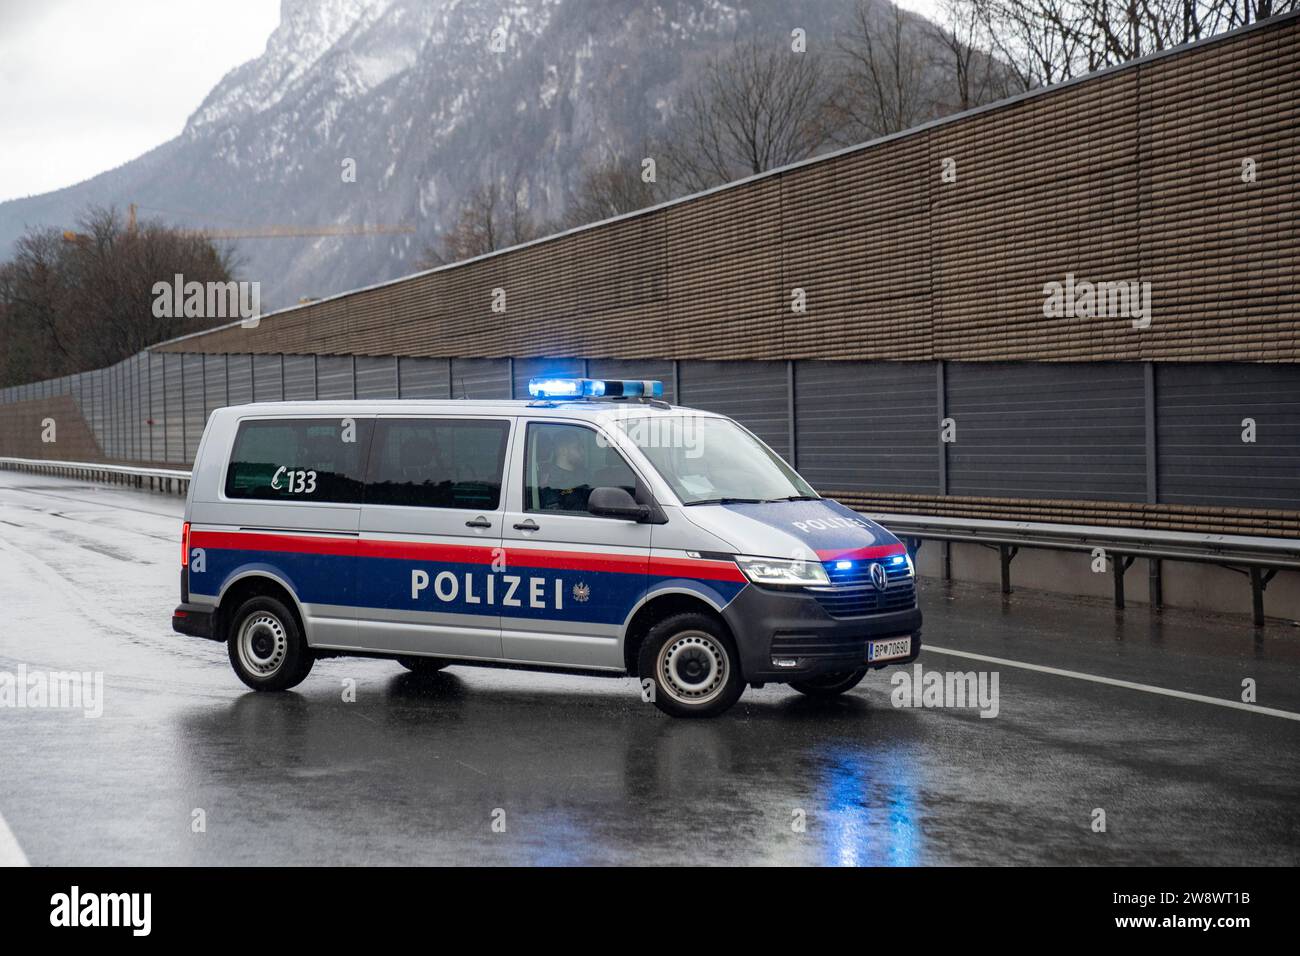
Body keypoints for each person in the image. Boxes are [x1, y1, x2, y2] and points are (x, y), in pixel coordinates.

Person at [537, 428, 592, 511]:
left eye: (582, 447)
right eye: (577, 448)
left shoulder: (584, 473)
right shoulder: (551, 480)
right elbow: (555, 513)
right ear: (563, 451)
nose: (583, 452)